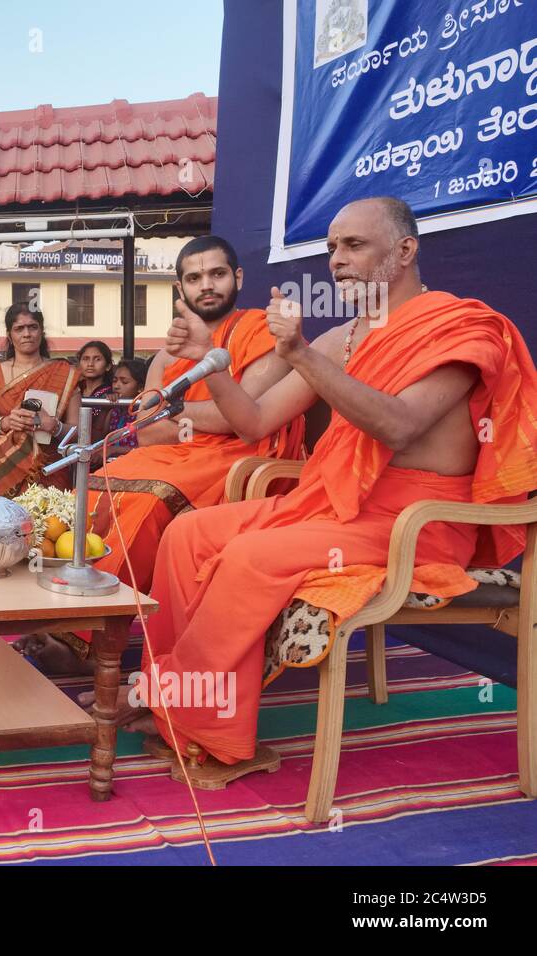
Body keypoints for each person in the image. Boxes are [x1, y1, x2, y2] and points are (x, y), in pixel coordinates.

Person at [119, 197, 537, 769]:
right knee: (187, 534)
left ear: (405, 250)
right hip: (332, 505)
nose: (336, 260)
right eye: (331, 248)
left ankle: (204, 725)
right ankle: (175, 696)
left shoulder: (459, 326)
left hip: (419, 524)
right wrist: (212, 361)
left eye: (354, 245)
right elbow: (255, 422)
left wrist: (298, 355)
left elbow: (397, 423)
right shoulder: (339, 338)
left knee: (249, 556)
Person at [23, 237, 304, 674]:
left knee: (148, 501)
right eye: (194, 278)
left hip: (239, 462)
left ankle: (91, 641)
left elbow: (242, 418)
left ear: (238, 278)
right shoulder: (167, 351)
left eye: (217, 274)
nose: (206, 285)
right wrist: (190, 417)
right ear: (181, 288)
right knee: (92, 486)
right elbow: (147, 428)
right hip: (171, 454)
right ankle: (59, 613)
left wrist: (177, 412)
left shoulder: (265, 332)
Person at [0, 304, 81, 496]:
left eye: (33, 327)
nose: (27, 334)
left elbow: (79, 433)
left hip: (50, 470)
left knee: (51, 525)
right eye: (19, 328)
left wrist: (54, 426)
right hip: (2, 470)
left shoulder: (65, 374)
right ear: (10, 335)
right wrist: (5, 423)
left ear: (41, 332)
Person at [94, 357, 146, 458]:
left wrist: (114, 450)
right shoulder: (114, 411)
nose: (116, 386)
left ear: (140, 387)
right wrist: (105, 409)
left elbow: (148, 448)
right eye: (114, 381)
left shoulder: (145, 412)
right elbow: (97, 440)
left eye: (124, 382)